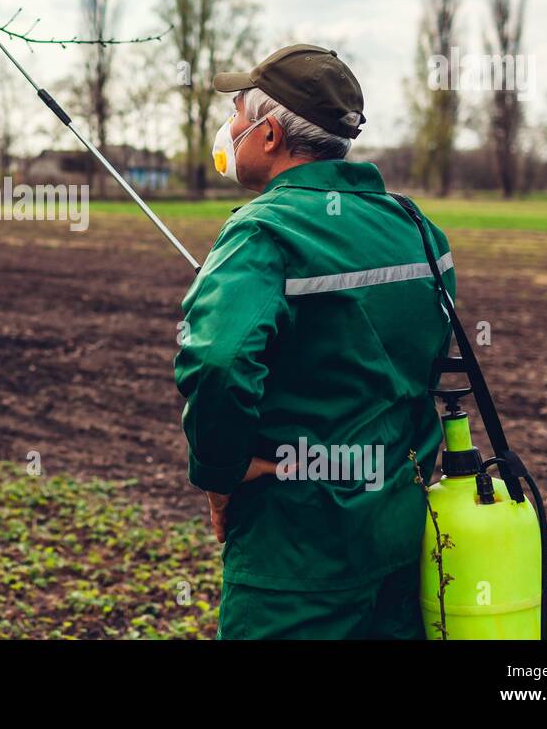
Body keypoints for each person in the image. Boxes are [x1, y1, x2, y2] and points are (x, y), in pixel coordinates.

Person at [175, 44, 455, 639]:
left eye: (235, 114)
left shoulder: (262, 232)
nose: (229, 129)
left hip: (295, 557)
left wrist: (220, 473)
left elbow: (218, 361)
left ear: (269, 134)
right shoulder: (418, 229)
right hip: (401, 542)